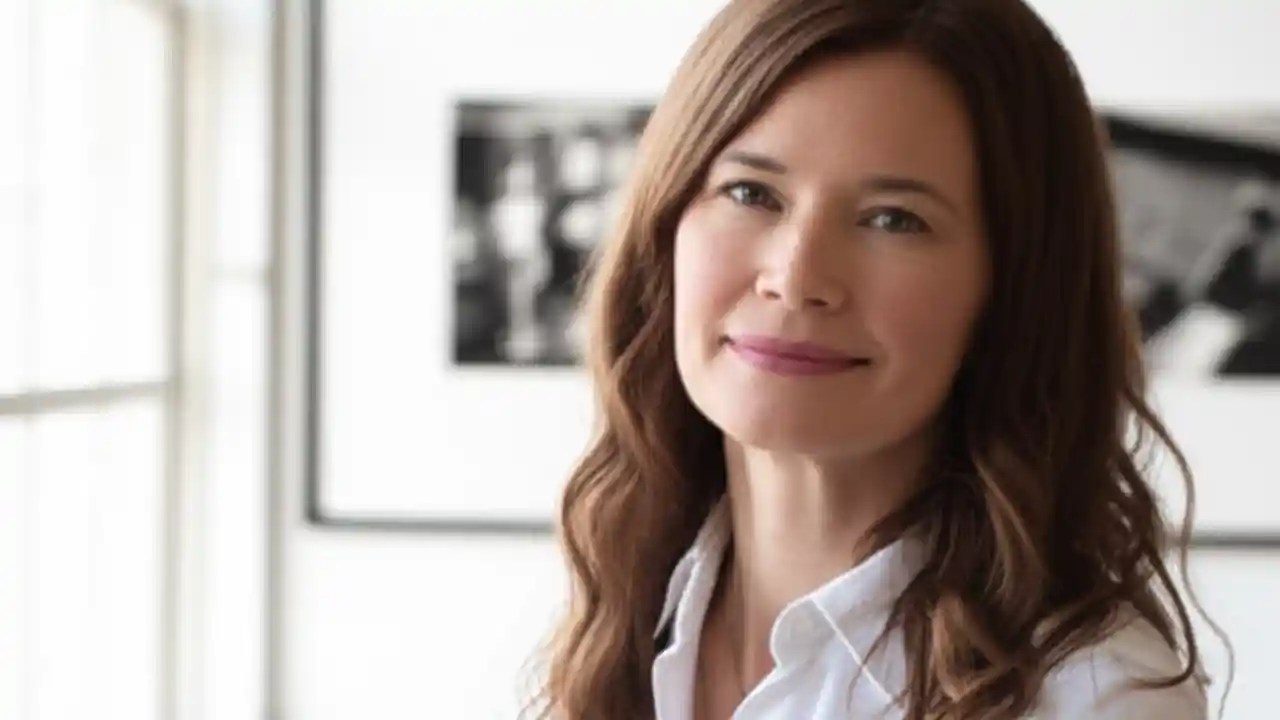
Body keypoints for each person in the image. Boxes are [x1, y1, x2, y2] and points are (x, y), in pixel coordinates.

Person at [525, 0, 1230, 717]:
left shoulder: (1092, 696)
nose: (797, 276)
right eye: (751, 192)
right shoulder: (618, 620)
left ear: (1012, 286)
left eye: (893, 219)